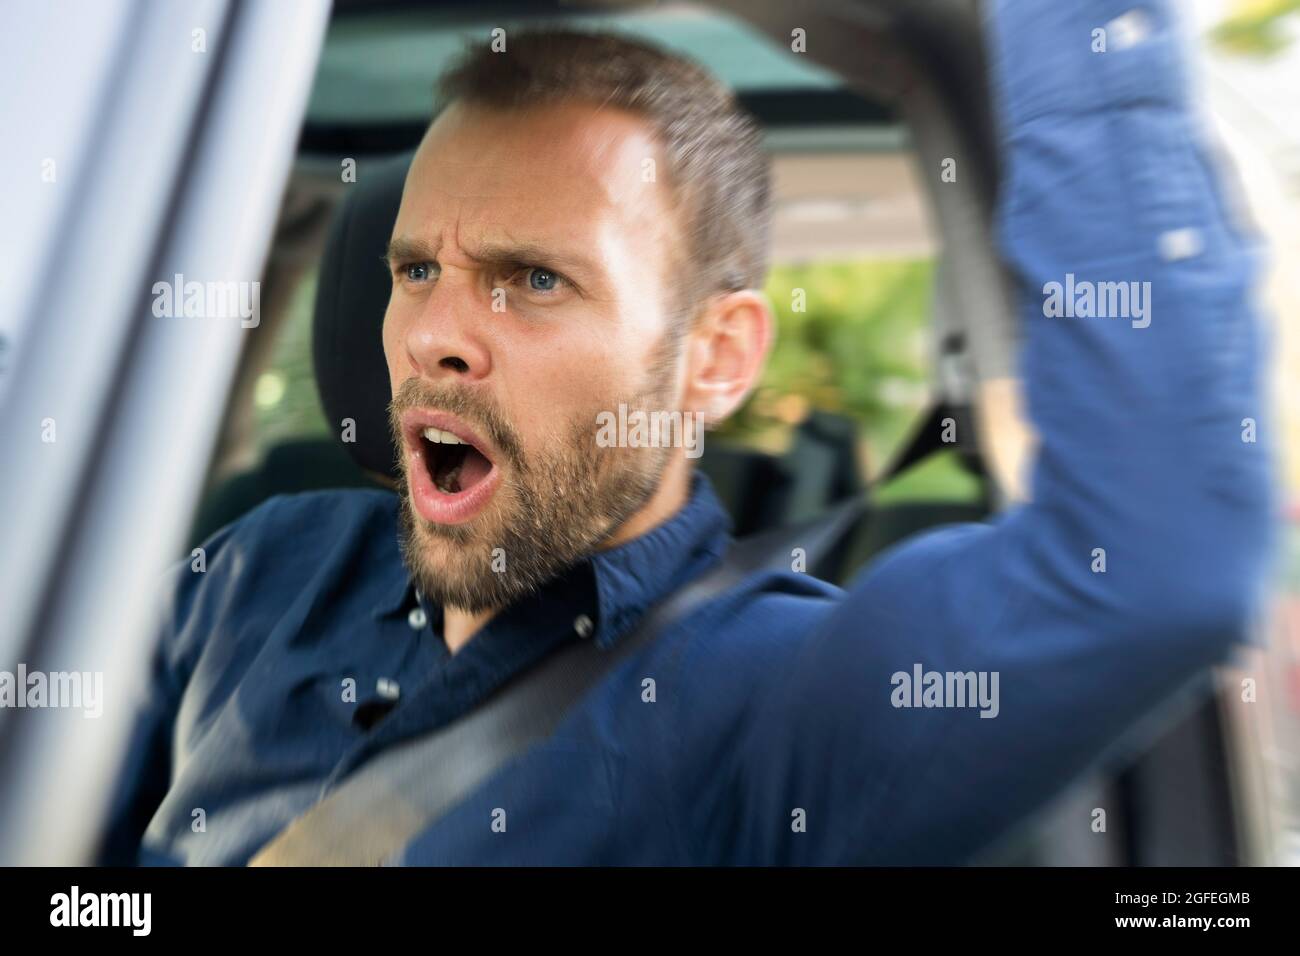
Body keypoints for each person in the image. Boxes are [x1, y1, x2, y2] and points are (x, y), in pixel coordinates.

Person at [100, 0, 1274, 865]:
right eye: (418, 268)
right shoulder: (256, 565)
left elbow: (1160, 567)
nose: (434, 336)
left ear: (714, 357)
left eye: (532, 279)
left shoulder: (777, 703)